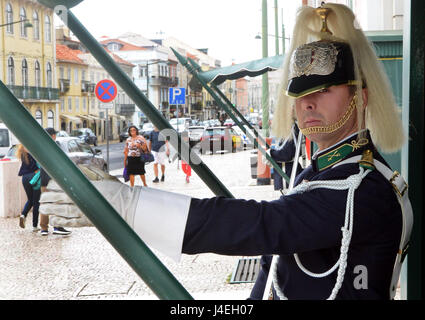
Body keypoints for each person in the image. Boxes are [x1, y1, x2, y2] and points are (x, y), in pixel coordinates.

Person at [41, 3, 413, 299]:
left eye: (325, 90)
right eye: (299, 93)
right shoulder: (324, 172)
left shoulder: (360, 190)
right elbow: (273, 270)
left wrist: (127, 205)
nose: (307, 104)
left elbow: (262, 225)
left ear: (360, 98)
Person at [39, 127, 72, 236]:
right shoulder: (56, 146)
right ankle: (57, 227)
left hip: (44, 180)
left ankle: (43, 229)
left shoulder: (41, 146)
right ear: (53, 135)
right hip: (54, 180)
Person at [17, 144, 41, 232]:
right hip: (34, 177)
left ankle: (23, 215)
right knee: (36, 202)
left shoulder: (22, 152)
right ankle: (35, 226)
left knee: (30, 200)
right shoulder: (33, 151)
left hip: (24, 178)